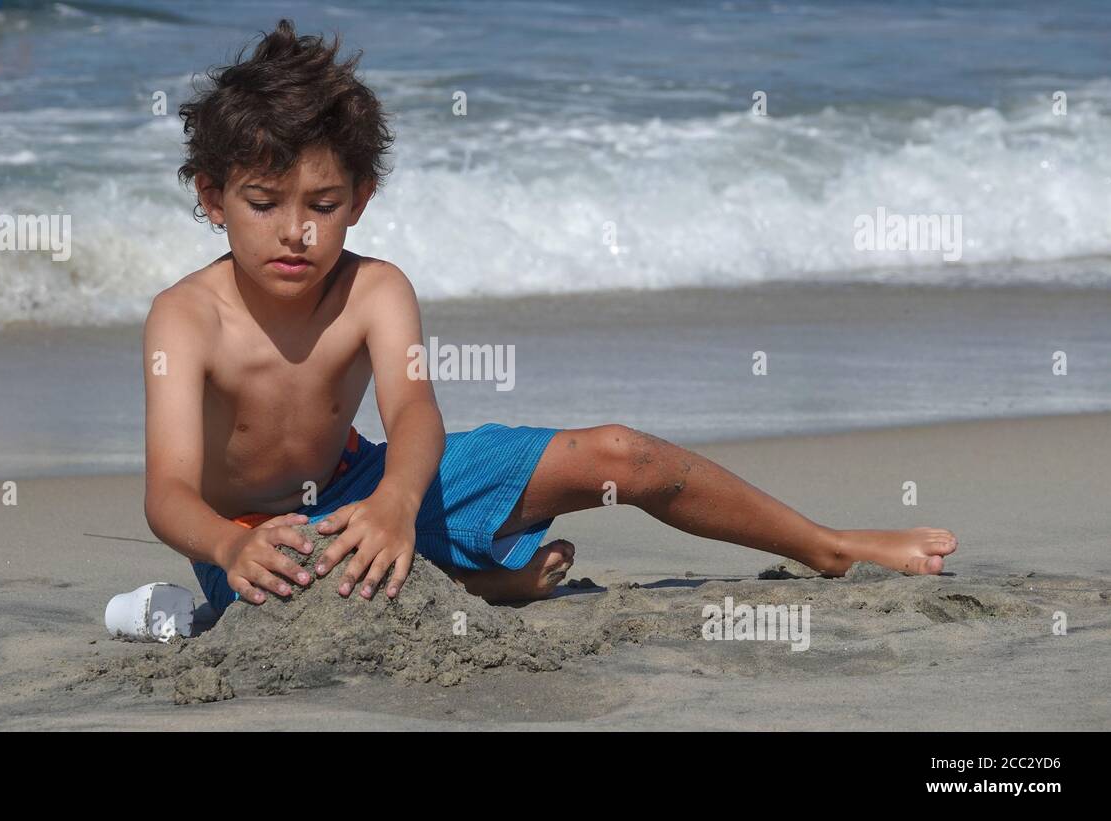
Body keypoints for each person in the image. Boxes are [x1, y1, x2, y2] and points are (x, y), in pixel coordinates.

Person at [142, 20, 957, 613]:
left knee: (620, 454)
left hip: (376, 484)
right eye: (263, 203)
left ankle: (830, 545)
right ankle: (476, 584)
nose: (298, 230)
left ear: (361, 198)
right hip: (256, 537)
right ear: (213, 199)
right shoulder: (185, 320)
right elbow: (170, 492)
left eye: (324, 203)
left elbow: (416, 412)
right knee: (320, 587)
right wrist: (227, 546)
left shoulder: (375, 290)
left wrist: (394, 500)